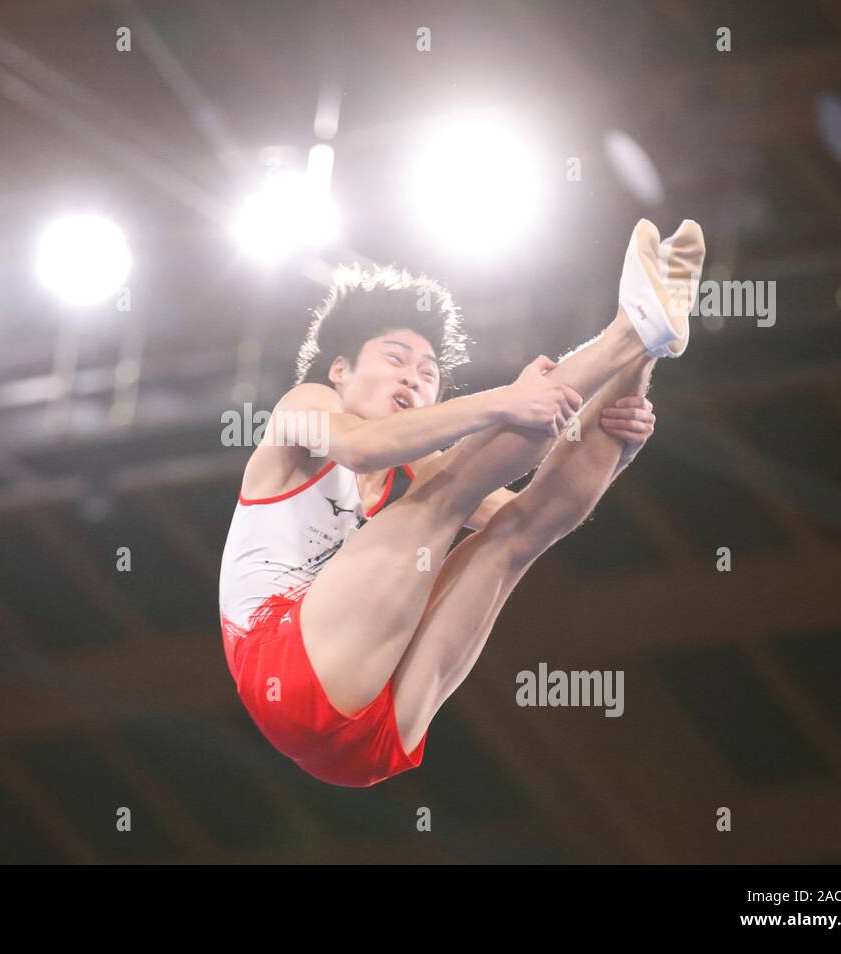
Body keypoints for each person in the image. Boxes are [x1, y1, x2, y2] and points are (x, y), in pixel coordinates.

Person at [218, 219, 705, 786]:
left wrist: (613, 432)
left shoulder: (420, 471)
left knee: (513, 540)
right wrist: (507, 401)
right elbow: (361, 446)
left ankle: (644, 348)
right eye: (396, 359)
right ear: (341, 370)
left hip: (376, 738)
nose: (414, 379)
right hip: (288, 676)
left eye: (428, 375)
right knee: (445, 492)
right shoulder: (303, 408)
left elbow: (532, 514)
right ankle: (633, 330)